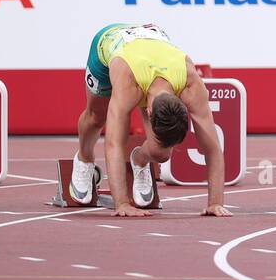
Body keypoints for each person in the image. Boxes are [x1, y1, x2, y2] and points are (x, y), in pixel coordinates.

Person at [72, 23, 230, 218]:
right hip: (110, 46)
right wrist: (122, 203)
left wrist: (215, 203)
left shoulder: (191, 85)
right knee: (96, 118)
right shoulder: (128, 83)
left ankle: (140, 160)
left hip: (153, 44)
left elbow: (213, 148)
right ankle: (84, 159)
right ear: (147, 111)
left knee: (161, 152)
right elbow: (114, 144)